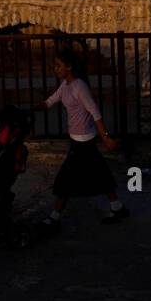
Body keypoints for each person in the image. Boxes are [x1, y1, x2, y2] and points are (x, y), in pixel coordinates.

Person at [36, 49, 128, 232]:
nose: (55, 69)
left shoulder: (79, 87)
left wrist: (106, 139)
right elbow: (51, 100)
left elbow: (95, 113)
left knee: (66, 179)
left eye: (58, 65)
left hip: (84, 141)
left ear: (69, 67)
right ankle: (117, 207)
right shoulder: (65, 85)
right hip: (77, 140)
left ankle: (54, 218)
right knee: (99, 174)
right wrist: (36, 108)